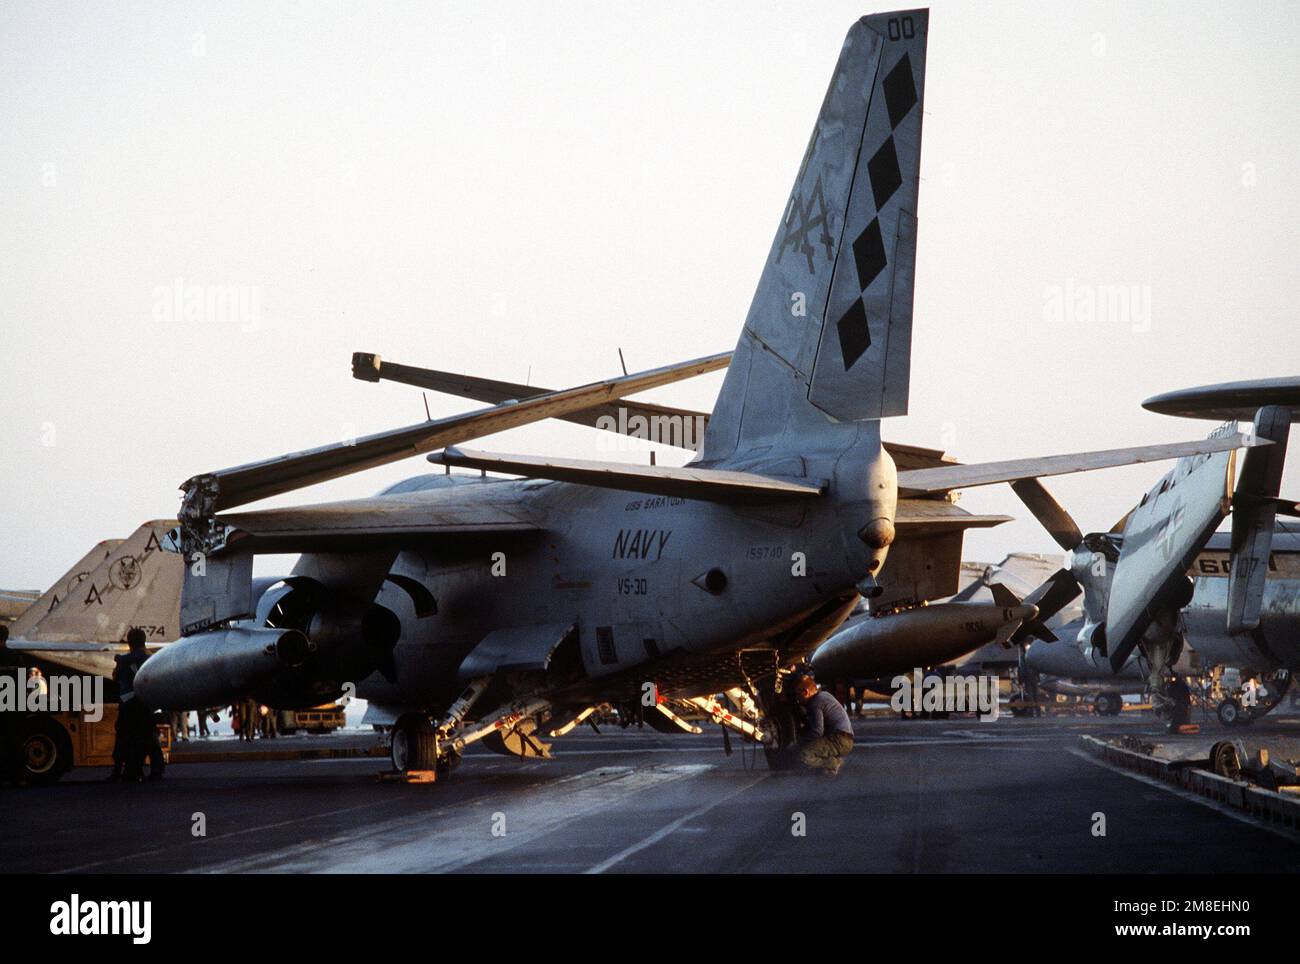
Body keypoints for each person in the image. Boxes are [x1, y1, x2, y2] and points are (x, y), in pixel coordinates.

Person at [113, 628, 164, 782]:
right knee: (150, 738)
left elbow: (116, 679)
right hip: (146, 703)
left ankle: (122, 771)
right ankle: (156, 771)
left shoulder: (123, 660)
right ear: (143, 641)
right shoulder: (153, 658)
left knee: (123, 738)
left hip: (128, 704)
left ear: (129, 642)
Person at [795, 675, 855, 776]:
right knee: (812, 748)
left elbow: (817, 731)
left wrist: (799, 740)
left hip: (838, 740)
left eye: (797, 694)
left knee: (803, 755)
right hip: (845, 739)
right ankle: (830, 763)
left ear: (805, 692)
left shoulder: (815, 703)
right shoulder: (824, 695)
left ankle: (832, 763)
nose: (797, 698)